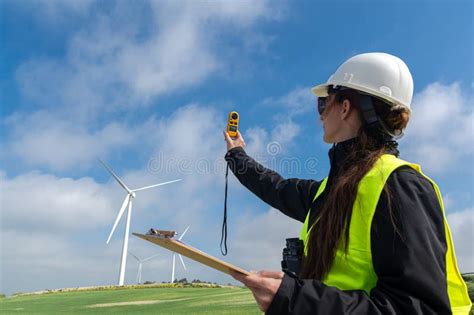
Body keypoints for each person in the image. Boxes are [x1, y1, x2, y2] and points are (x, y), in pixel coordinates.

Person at [224, 52, 472, 314]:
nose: (320, 115)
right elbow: (273, 187)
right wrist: (237, 154)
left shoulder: (400, 187)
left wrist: (298, 300)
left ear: (345, 107)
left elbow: (419, 309)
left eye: (323, 103)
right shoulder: (330, 191)